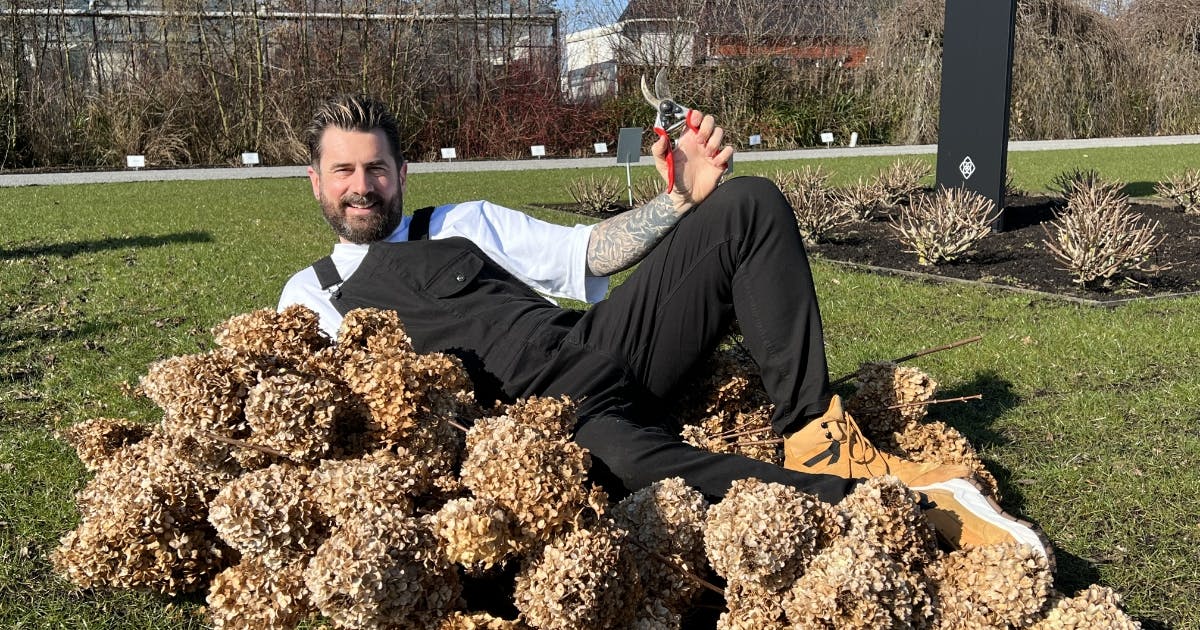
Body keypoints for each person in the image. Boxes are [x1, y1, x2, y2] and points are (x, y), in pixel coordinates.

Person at [279, 94, 1048, 558]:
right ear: (315, 182)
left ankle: (814, 430)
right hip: (543, 431)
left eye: (375, 168)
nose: (362, 186)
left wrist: (684, 200)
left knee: (747, 207)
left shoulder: (458, 221)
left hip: (595, 345)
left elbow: (589, 252)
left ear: (401, 173)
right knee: (653, 476)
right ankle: (905, 511)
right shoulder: (306, 298)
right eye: (343, 171)